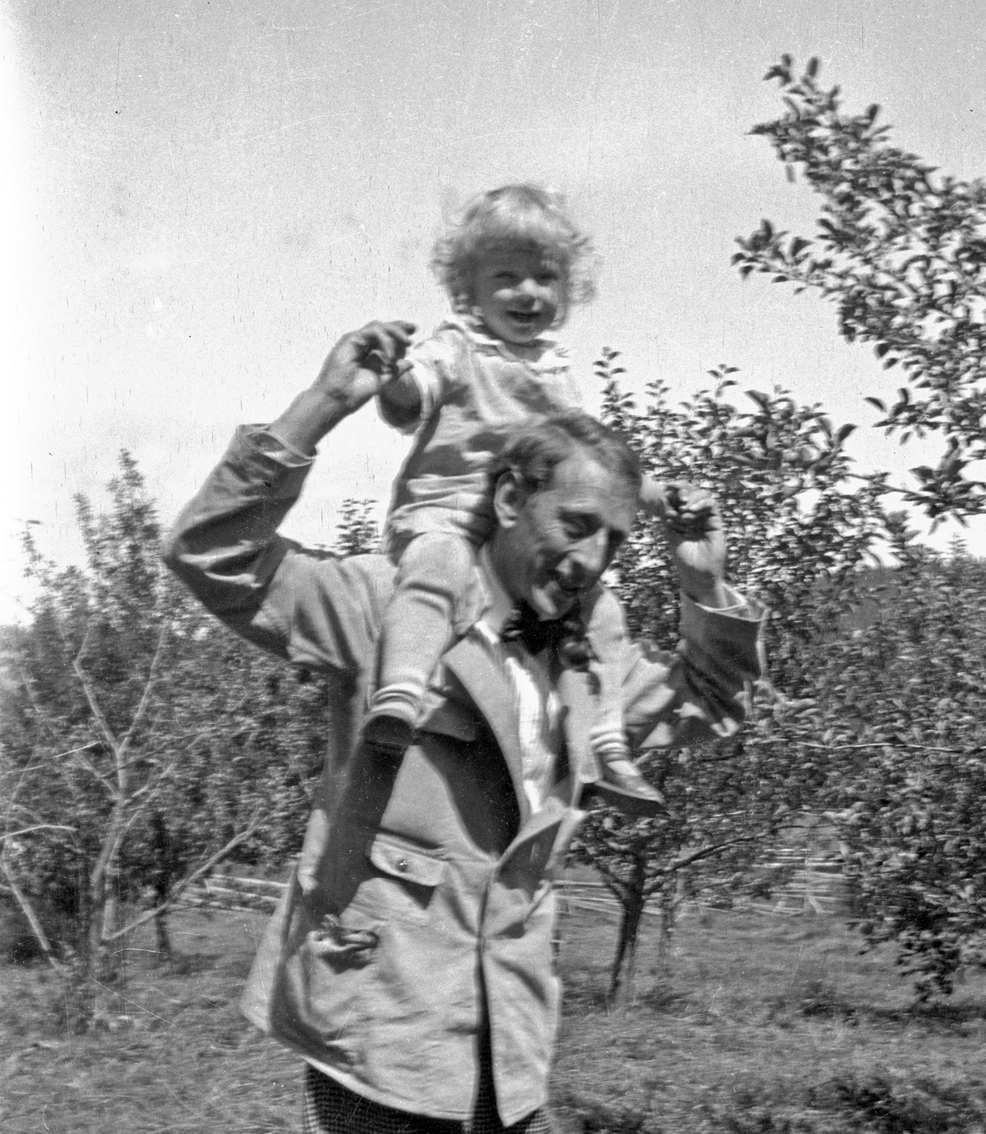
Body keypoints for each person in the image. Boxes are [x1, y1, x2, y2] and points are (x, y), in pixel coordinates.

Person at [164, 322, 765, 1133]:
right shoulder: (386, 605)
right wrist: (320, 407)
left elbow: (709, 701)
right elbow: (211, 558)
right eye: (576, 525)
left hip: (506, 1038)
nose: (591, 561)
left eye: (614, 542)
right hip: (378, 1023)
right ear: (511, 500)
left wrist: (704, 580)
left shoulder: (585, 663)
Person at [363, 183, 662, 814]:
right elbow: (408, 401)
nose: (529, 294)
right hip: (449, 511)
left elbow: (594, 465)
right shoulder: (459, 346)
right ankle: (400, 691)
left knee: (604, 613)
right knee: (433, 578)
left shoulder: (557, 369)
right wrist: (389, 376)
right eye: (507, 278)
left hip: (519, 530)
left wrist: (657, 497)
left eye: (545, 278)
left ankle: (608, 740)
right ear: (468, 290)